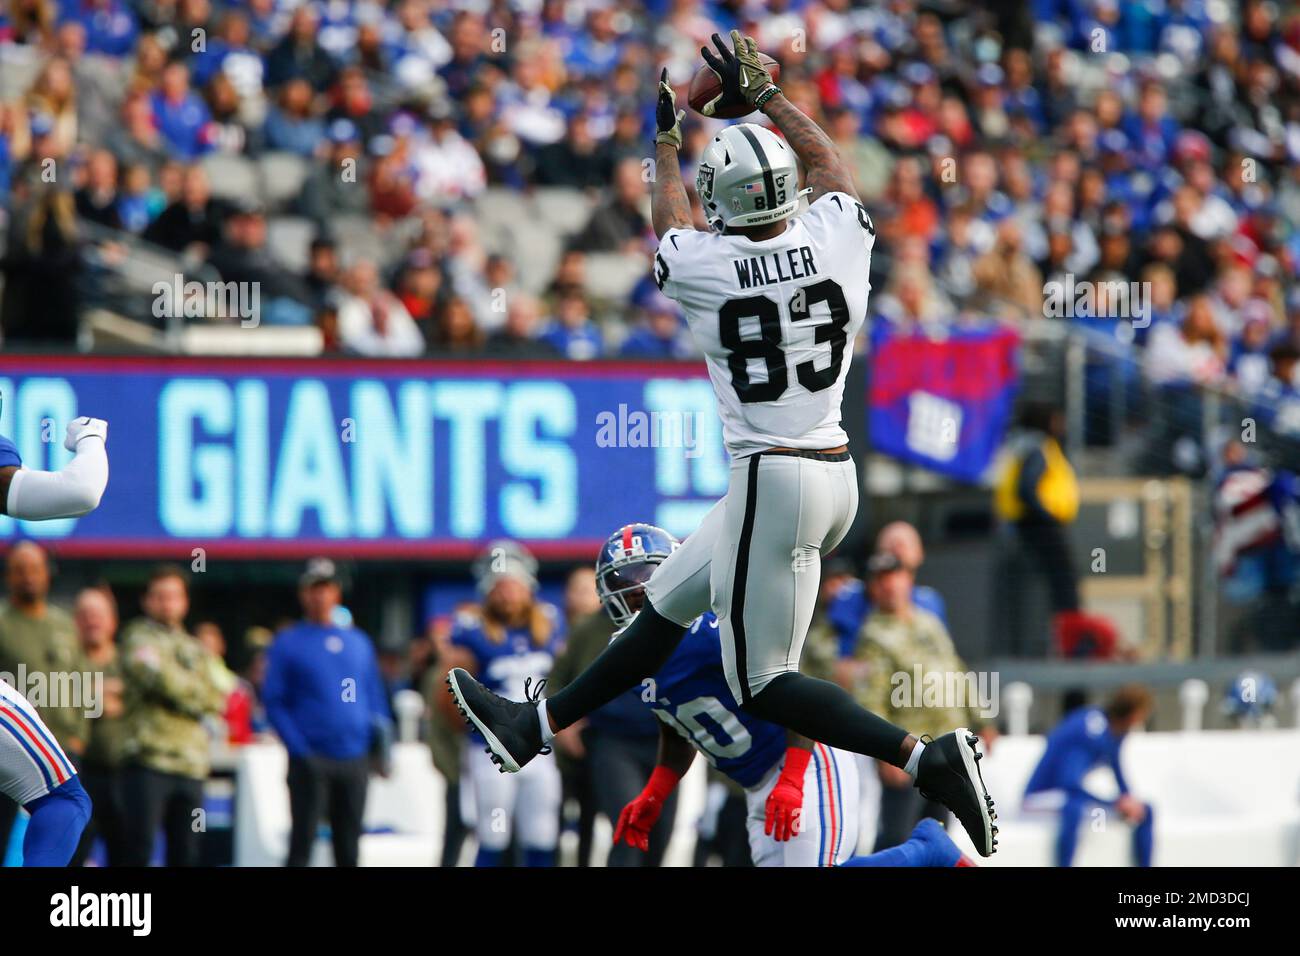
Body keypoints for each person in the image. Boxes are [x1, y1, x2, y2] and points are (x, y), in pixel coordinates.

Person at [447, 31, 997, 858]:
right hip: (828, 467)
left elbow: (669, 225)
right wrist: (766, 95)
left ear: (720, 198)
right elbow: (834, 172)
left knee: (763, 682)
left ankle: (927, 758)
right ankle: (536, 722)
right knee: (664, 607)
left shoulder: (704, 267)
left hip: (775, 479)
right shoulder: (839, 239)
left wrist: (666, 143)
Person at [597, 523, 974, 868]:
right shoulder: (631, 659)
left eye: (647, 578)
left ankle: (924, 851)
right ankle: (925, 850)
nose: (638, 593)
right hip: (756, 782)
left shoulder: (712, 629)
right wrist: (655, 792)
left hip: (805, 759)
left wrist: (793, 778)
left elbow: (796, 695)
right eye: (626, 587)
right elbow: (680, 725)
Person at [842, 551, 993, 850]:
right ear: (872, 589)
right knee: (898, 838)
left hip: (948, 749)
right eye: (880, 581)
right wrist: (886, 752)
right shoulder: (873, 635)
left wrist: (983, 719)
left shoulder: (929, 622)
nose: (889, 586)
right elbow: (871, 699)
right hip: (910, 755)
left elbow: (957, 670)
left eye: (894, 577)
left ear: (908, 580)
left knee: (938, 836)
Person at [440, 542, 563, 867]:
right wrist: (473, 736)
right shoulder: (471, 630)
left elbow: (565, 681)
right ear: (487, 591)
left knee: (542, 833)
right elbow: (451, 697)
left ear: (528, 587)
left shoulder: (549, 623)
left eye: (513, 586)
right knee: (493, 835)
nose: (507, 595)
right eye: (500, 587)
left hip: (540, 749)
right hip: (490, 750)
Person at [263, 559, 391, 868]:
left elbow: (373, 694)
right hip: (311, 758)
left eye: (326, 589)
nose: (320, 597)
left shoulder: (357, 641)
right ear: (303, 594)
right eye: (313, 590)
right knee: (302, 843)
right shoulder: (288, 642)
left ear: (337, 593)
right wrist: (299, 748)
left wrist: (380, 746)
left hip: (354, 756)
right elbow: (274, 700)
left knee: (349, 846)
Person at [119, 565, 228, 867]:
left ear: (185, 602)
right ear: (147, 601)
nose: (167, 603)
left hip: (191, 766)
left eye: (173, 596)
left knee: (187, 853)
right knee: (139, 850)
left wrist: (187, 690)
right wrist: (194, 691)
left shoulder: (196, 648)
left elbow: (217, 697)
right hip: (148, 761)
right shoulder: (136, 636)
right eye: (159, 596)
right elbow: (157, 679)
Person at [0, 541, 89, 857]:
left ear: (48, 574)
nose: (28, 577)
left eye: (35, 569)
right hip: (11, 748)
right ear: (8, 576)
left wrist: (79, 736)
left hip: (63, 745)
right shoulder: (3, 621)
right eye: (20, 570)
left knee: (68, 829)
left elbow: (81, 681)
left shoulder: (64, 624)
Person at [1023, 685, 1155, 867]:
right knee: (1074, 807)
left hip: (1066, 793)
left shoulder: (1115, 732)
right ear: (1133, 715)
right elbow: (1069, 783)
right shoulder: (1089, 731)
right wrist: (1113, 803)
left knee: (1145, 809)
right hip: (1040, 797)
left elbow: (1117, 769)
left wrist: (1128, 799)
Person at [71, 586, 129, 867]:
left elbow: (137, 701)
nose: (92, 620)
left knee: (127, 852)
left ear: (113, 621)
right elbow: (57, 699)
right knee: (74, 853)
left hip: (125, 775)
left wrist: (88, 694)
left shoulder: (129, 660)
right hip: (79, 774)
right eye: (85, 614)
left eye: (99, 614)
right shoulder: (65, 661)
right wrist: (107, 694)